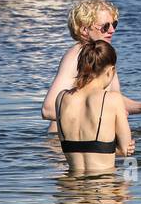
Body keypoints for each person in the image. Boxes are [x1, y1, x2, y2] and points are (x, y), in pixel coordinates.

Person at [41, 0, 141, 132]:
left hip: (91, 140)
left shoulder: (104, 55)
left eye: (114, 24)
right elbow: (48, 109)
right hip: (61, 145)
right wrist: (99, 115)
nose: (112, 30)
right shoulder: (75, 56)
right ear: (84, 30)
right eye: (105, 26)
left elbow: (114, 101)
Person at [55, 39, 134, 174]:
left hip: (70, 190)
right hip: (103, 189)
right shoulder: (113, 99)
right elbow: (126, 151)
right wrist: (130, 184)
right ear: (111, 71)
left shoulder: (61, 98)